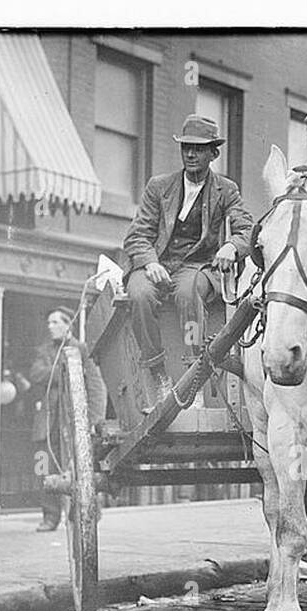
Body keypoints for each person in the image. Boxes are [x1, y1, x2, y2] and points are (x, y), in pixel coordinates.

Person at [122, 114, 253, 411]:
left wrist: (232, 246)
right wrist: (150, 262)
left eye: (199, 148)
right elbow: (137, 235)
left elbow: (246, 229)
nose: (191, 154)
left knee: (187, 292)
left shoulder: (226, 190)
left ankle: (194, 377)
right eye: (186, 148)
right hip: (158, 262)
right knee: (139, 293)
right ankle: (158, 374)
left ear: (213, 153)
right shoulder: (159, 187)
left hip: (198, 267)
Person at [29, 306, 108, 531]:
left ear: (68, 325)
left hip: (74, 420)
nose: (50, 326)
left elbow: (95, 385)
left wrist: (94, 420)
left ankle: (82, 512)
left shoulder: (82, 350)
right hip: (47, 423)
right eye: (49, 322)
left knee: (78, 465)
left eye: (55, 322)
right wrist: (64, 369)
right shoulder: (43, 351)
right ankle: (50, 516)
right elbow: (35, 373)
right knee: (44, 468)